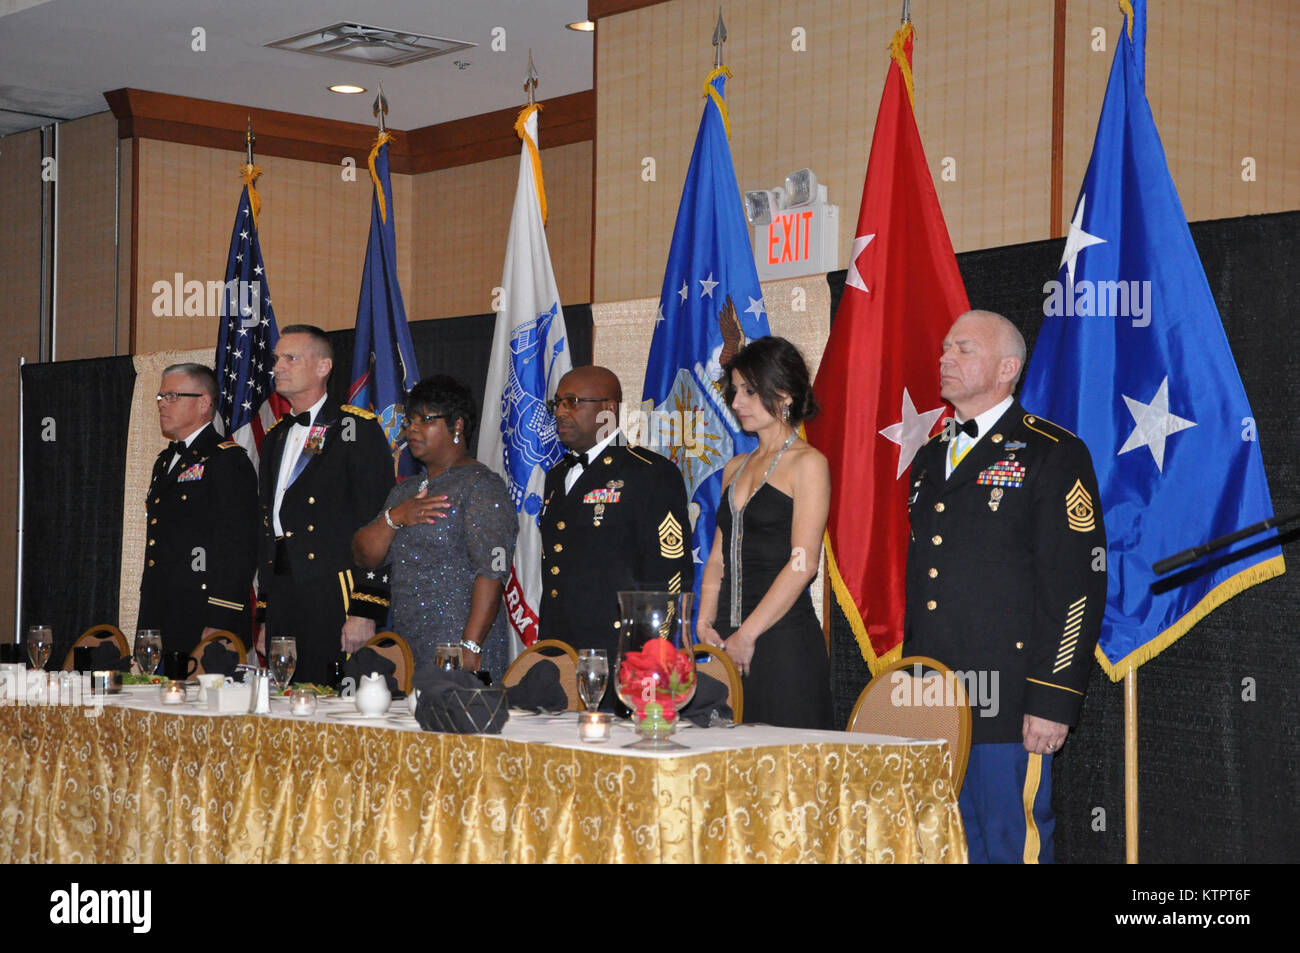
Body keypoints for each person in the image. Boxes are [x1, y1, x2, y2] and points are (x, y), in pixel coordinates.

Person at [902, 309, 1107, 864]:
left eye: (963, 349)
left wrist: (1053, 698)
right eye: (945, 347)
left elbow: (1077, 586)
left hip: (1009, 699)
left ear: (1007, 368)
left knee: (1008, 846)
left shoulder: (1052, 452)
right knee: (942, 848)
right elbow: (925, 588)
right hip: (933, 698)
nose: (945, 358)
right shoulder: (927, 458)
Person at [696, 337, 834, 730]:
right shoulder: (734, 467)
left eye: (750, 391)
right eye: (735, 390)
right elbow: (719, 556)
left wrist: (748, 634)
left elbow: (803, 563)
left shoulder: (808, 463)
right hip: (726, 641)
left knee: (786, 777)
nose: (736, 402)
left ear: (786, 393)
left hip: (781, 640)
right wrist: (705, 621)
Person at [352, 376, 517, 679]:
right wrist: (395, 517)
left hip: (461, 646)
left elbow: (492, 570)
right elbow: (365, 556)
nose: (411, 429)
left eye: (425, 420)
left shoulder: (481, 486)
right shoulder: (405, 492)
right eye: (409, 421)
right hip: (409, 641)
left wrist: (470, 645)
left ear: (457, 426)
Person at [256, 324, 394, 684]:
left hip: (335, 589)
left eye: (291, 358)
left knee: (331, 697)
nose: (278, 367)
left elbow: (378, 522)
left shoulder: (355, 428)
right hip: (286, 588)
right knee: (286, 696)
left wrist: (366, 607)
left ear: (323, 367)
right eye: (276, 359)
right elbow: (269, 529)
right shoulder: (276, 437)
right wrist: (266, 612)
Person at [538, 366, 694, 676]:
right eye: (556, 403)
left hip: (621, 652)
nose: (560, 412)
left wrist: (651, 650)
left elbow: (669, 573)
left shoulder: (648, 473)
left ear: (608, 409)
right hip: (560, 648)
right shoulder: (557, 476)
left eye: (572, 402)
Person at [138, 363, 258, 657]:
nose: (162, 405)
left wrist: (220, 617)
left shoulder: (227, 460)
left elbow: (239, 544)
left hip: (205, 614)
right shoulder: (165, 462)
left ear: (204, 403)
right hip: (162, 612)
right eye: (160, 397)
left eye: (173, 396)